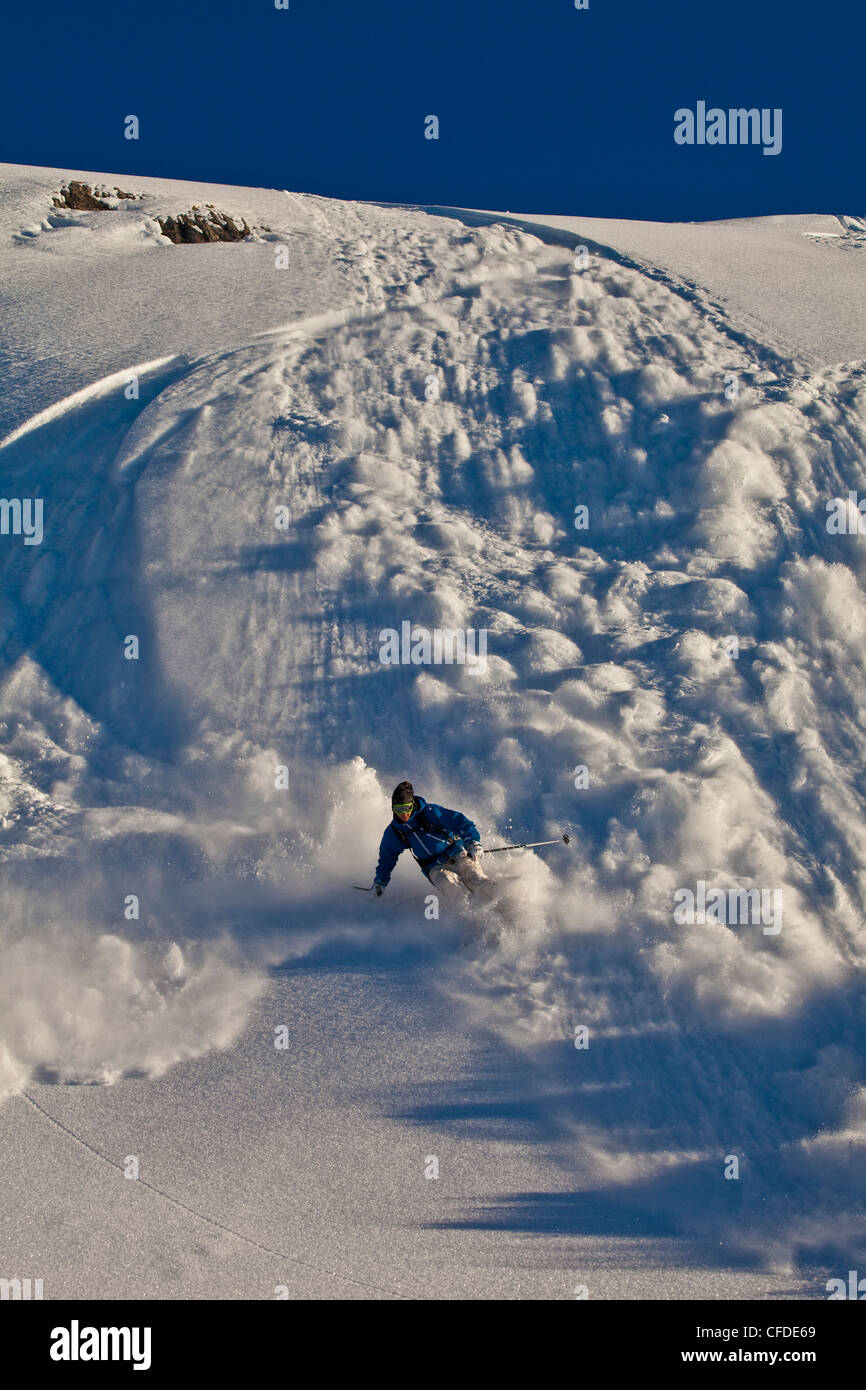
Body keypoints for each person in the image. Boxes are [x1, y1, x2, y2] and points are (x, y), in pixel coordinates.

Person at [372, 781, 488, 898]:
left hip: (457, 853)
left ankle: (498, 896)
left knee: (476, 879)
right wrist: (381, 880)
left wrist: (473, 842)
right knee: (450, 886)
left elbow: (460, 822)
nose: (403, 813)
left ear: (412, 805)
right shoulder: (395, 831)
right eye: (399, 809)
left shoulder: (429, 812)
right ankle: (470, 911)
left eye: (406, 808)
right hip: (434, 867)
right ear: (393, 809)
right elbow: (387, 857)